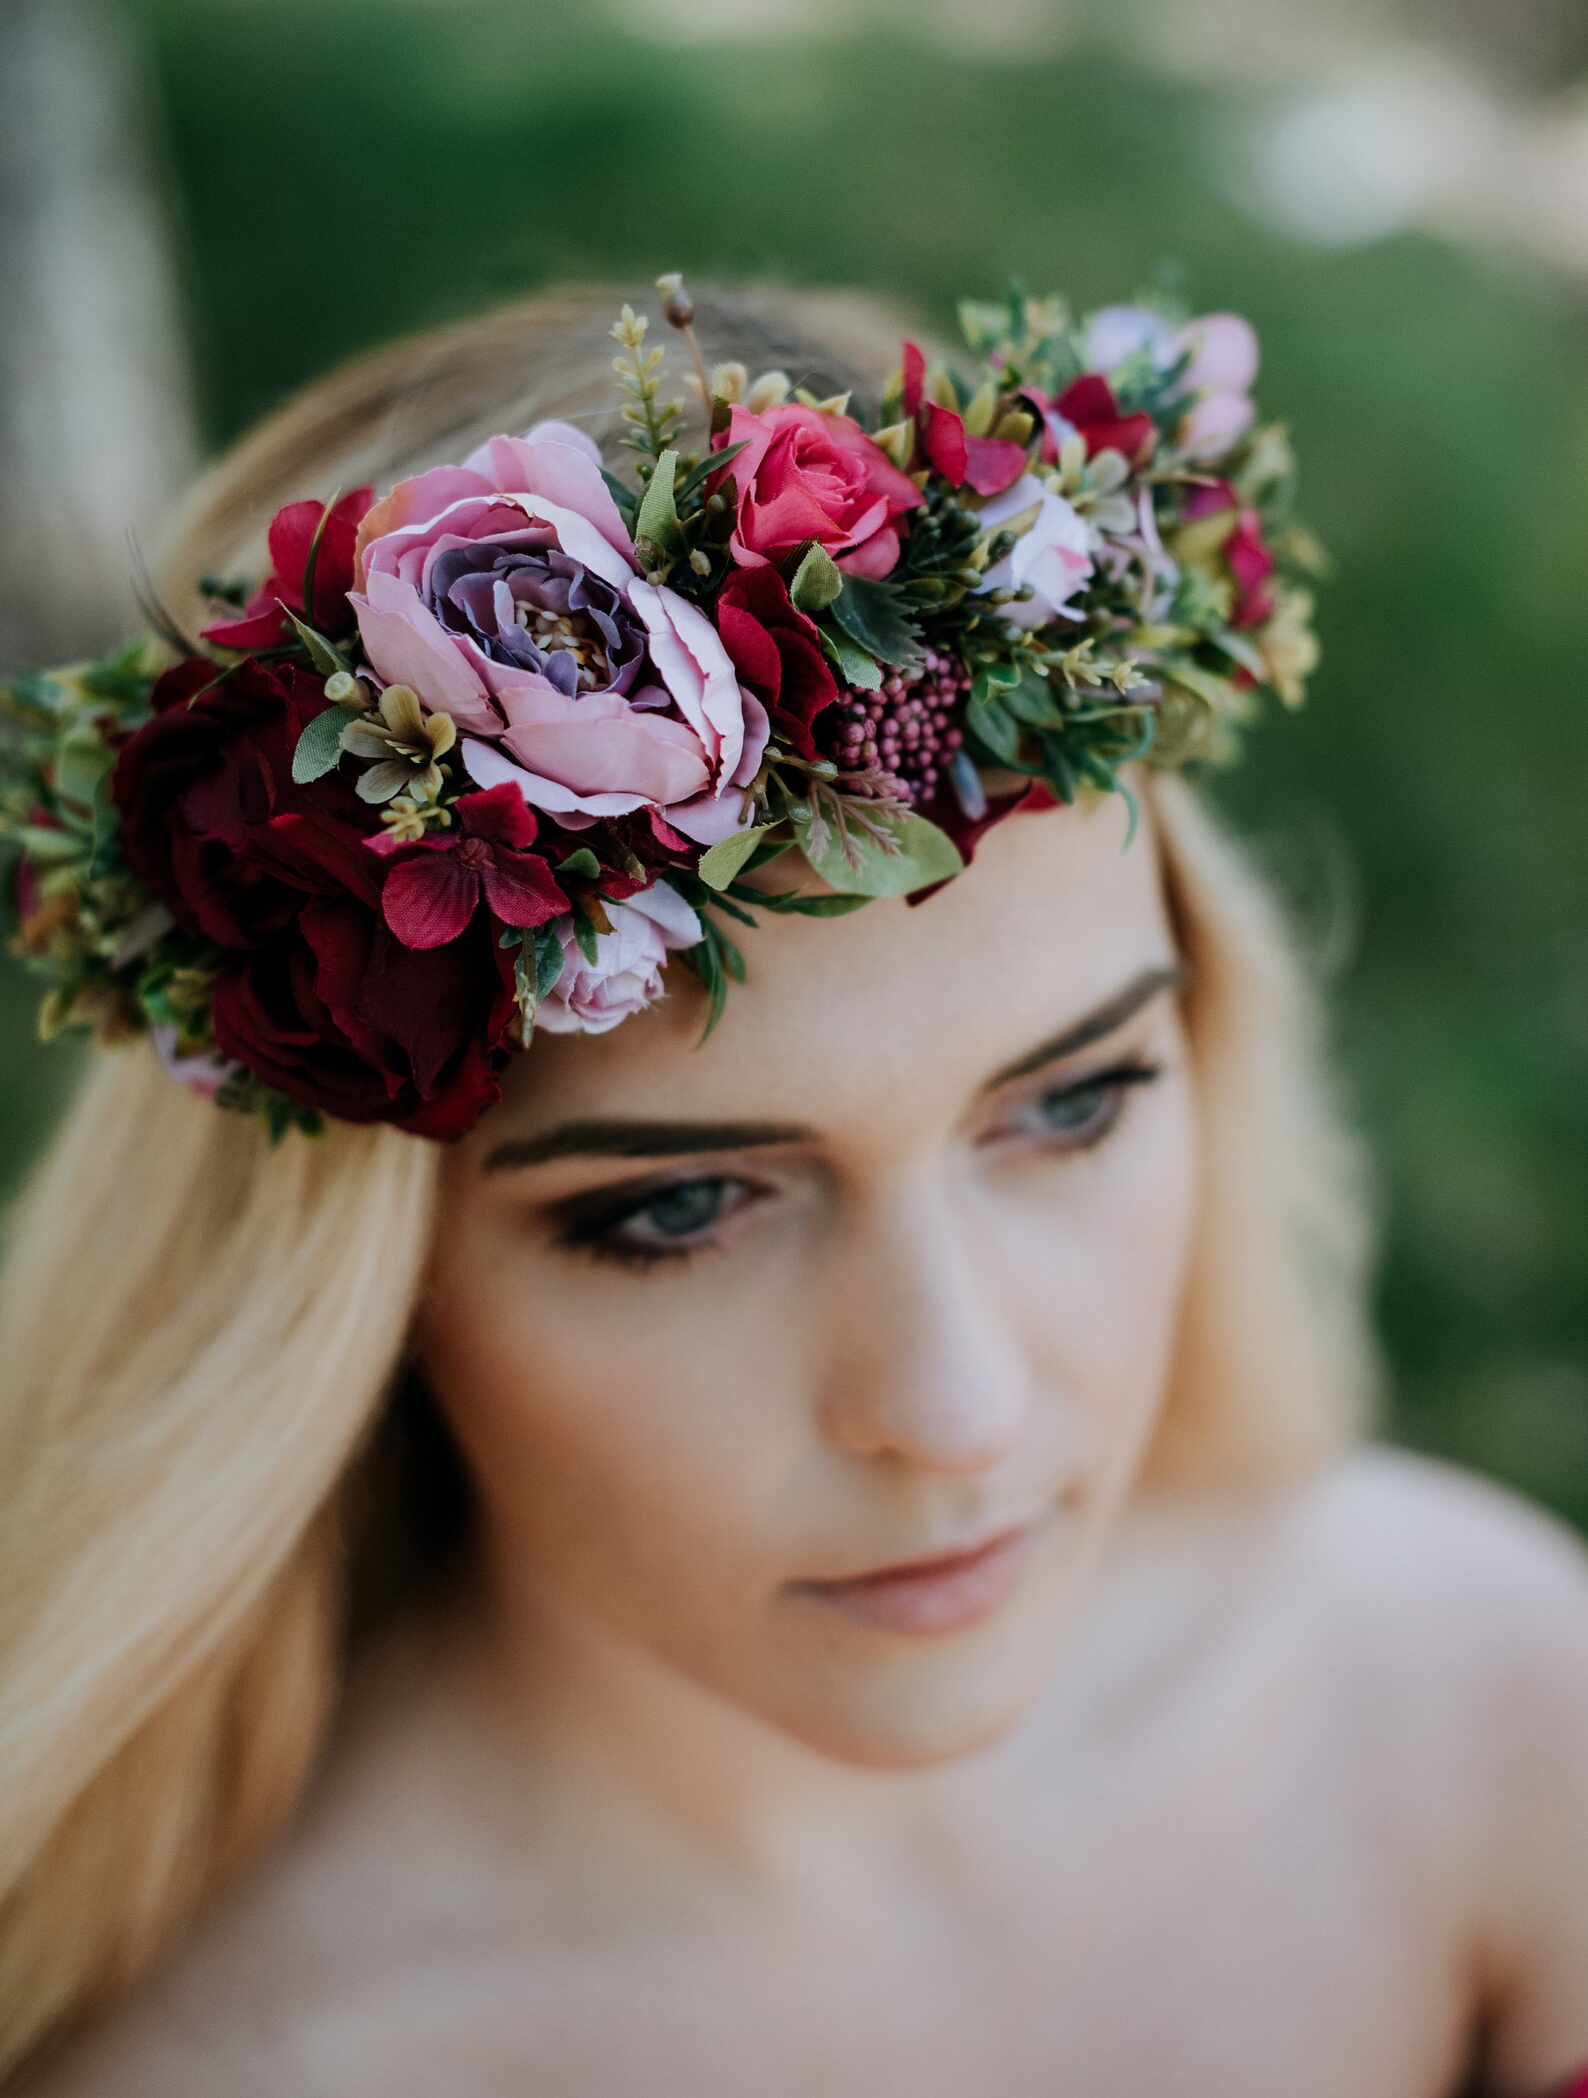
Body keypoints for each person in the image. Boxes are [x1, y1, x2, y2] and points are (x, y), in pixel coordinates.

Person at [1, 283, 1586, 2097]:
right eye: (679, 1213)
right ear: (365, 1294)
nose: (953, 1406)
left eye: (1070, 1108)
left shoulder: (1476, 1702)